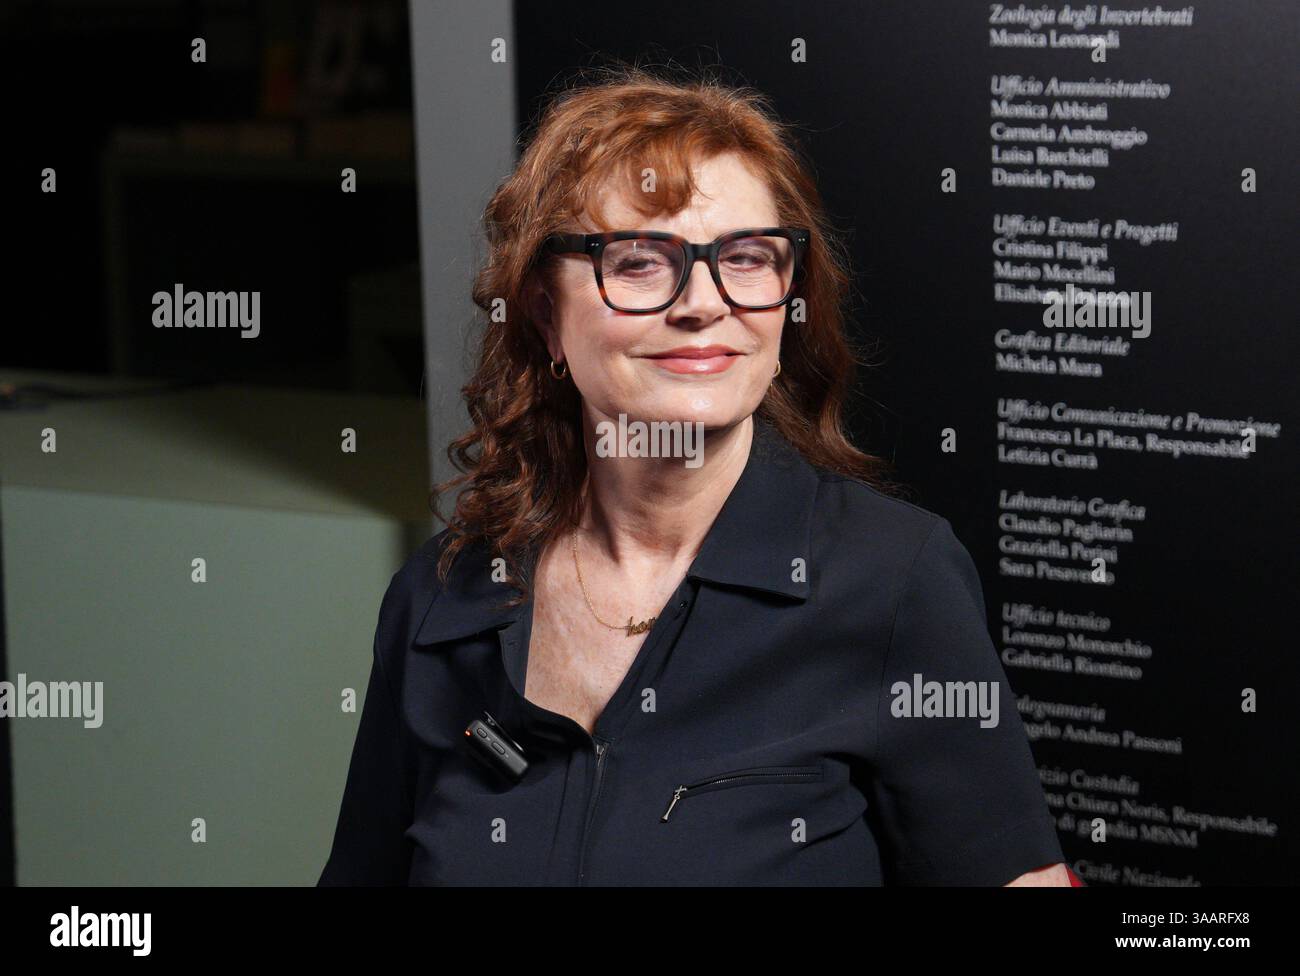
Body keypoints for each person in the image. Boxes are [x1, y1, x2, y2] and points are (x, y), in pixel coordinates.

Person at [319, 65, 1070, 886]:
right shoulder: (440, 599)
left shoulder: (895, 582)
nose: (703, 303)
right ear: (544, 314)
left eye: (747, 257)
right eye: (641, 262)